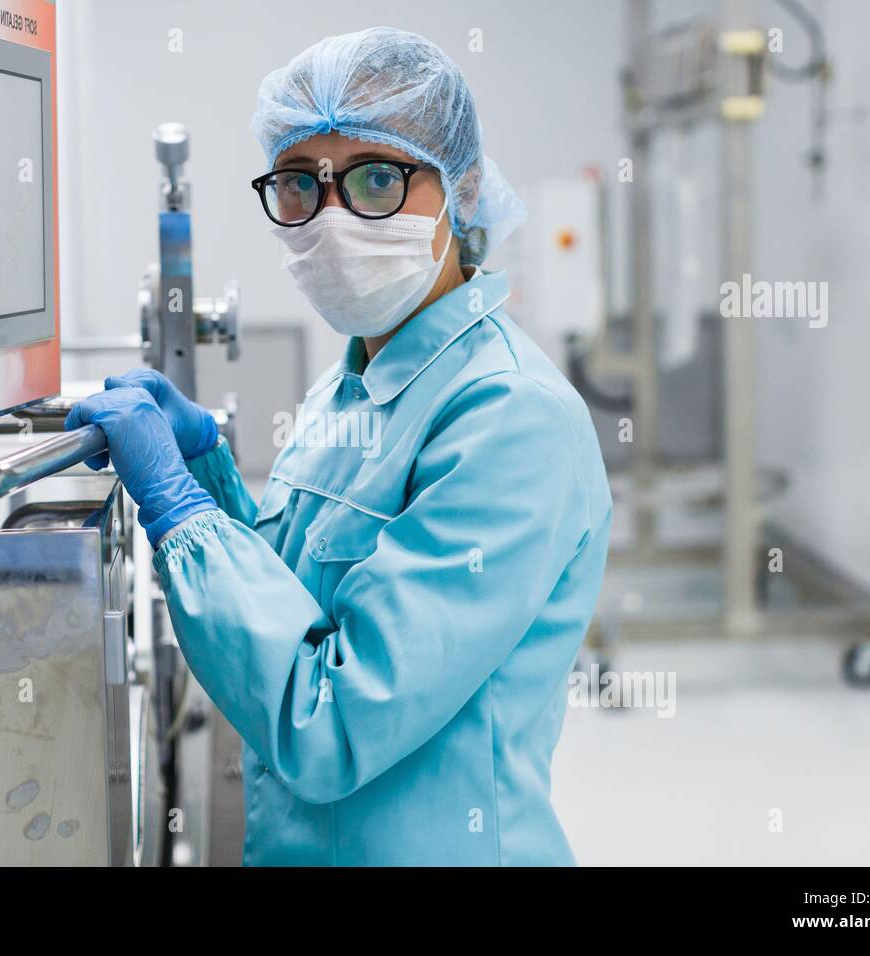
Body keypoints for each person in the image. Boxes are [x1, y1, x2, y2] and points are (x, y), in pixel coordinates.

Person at [66, 27, 612, 866]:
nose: (331, 219)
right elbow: (297, 601)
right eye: (298, 185)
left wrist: (180, 516)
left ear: (460, 190)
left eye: (375, 179)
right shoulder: (355, 380)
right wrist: (206, 471)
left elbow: (331, 721)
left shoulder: (510, 417)